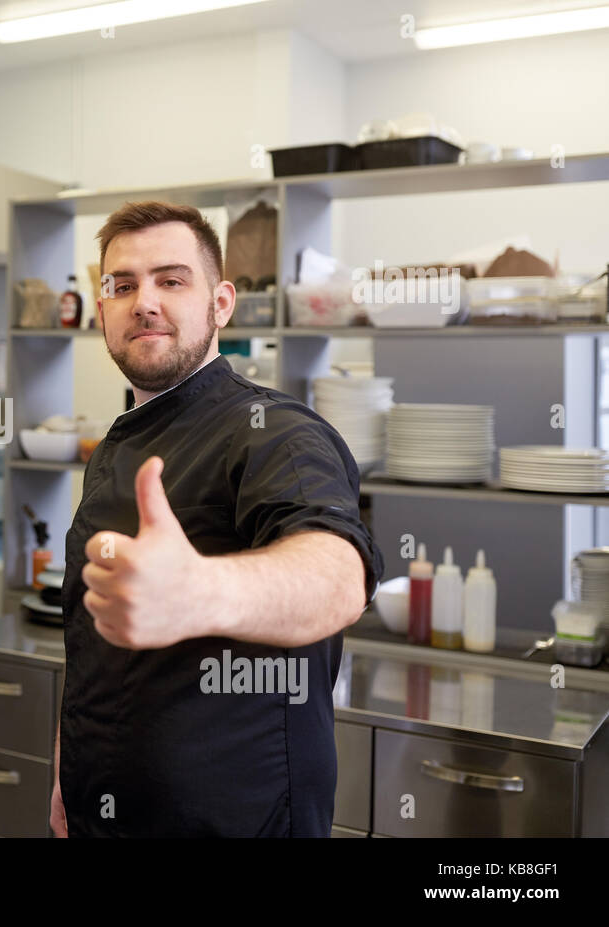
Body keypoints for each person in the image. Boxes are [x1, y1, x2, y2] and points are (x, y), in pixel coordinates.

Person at [50, 201, 383, 837]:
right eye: (123, 285)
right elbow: (98, 637)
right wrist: (73, 766)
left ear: (221, 304)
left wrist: (200, 591)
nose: (144, 301)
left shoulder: (273, 433)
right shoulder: (122, 445)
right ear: (102, 311)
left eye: (171, 281)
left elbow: (339, 573)